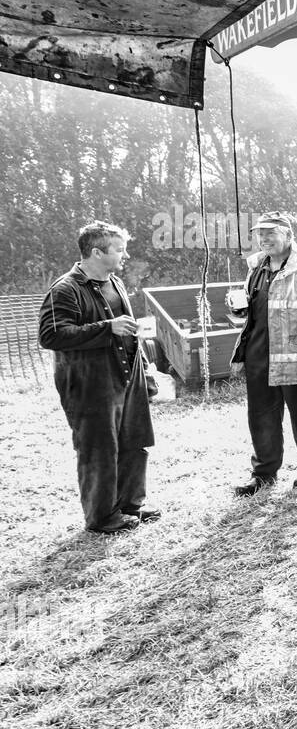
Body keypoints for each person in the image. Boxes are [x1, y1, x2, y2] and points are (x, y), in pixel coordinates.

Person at [38, 221, 159, 534]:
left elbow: (128, 327)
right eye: (118, 249)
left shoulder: (114, 281)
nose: (124, 254)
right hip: (90, 385)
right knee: (99, 450)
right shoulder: (65, 289)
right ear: (96, 252)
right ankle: (102, 517)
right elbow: (51, 335)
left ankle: (131, 506)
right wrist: (107, 328)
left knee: (134, 442)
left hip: (126, 378)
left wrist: (144, 370)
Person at [229, 212, 297, 496]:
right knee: (261, 417)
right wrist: (240, 311)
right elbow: (255, 314)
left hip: (295, 360)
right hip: (259, 356)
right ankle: (263, 474)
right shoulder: (257, 268)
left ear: (288, 234)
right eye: (260, 234)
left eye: (270, 233)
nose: (264, 239)